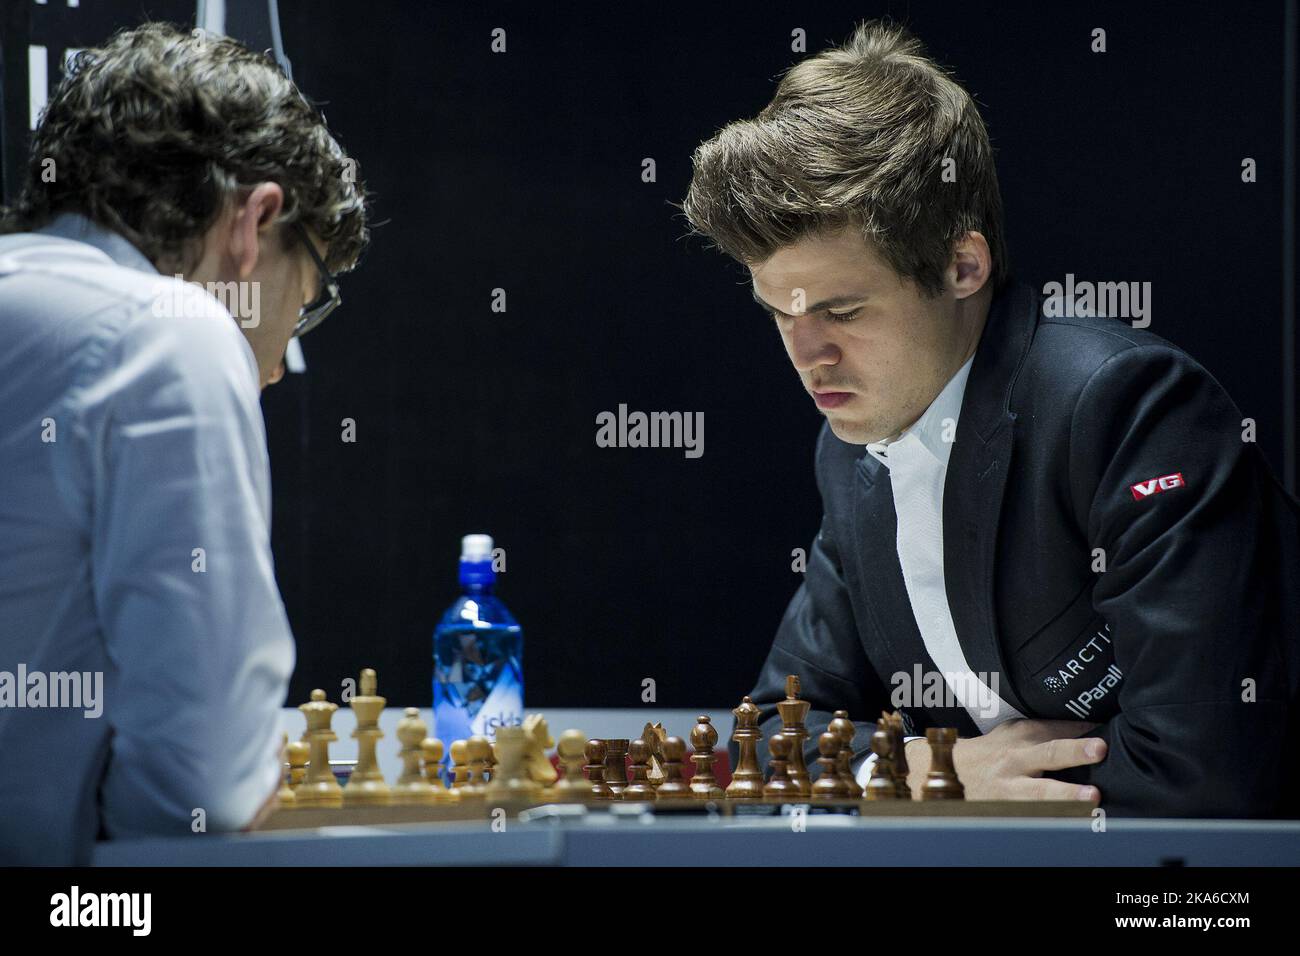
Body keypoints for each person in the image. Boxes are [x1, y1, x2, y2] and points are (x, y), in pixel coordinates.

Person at [684, 20, 1300, 816]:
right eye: (779, 314)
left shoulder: (1123, 405)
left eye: (842, 310)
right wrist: (928, 775)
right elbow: (768, 735)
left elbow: (1205, 770)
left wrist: (948, 783)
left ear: (962, 266)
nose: (809, 358)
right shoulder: (853, 450)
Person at [0, 22, 368, 863]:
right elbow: (200, 788)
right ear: (257, 221)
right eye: (301, 299)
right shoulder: (170, 335)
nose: (273, 370)